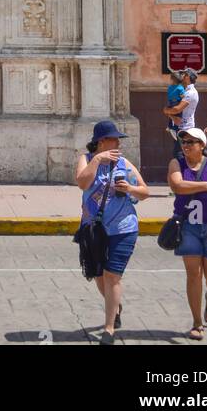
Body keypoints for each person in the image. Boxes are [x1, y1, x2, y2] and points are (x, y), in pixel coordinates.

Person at [74, 119, 149, 345]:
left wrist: (130, 188)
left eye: (119, 140)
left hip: (123, 227)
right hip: (94, 227)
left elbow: (145, 192)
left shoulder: (124, 164)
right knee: (99, 276)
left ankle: (109, 329)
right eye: (114, 139)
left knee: (112, 276)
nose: (118, 143)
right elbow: (82, 183)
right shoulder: (87, 159)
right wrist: (98, 160)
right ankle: (115, 306)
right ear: (101, 142)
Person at [168, 127, 207, 340]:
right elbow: (178, 186)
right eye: (183, 142)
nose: (186, 146)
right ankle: (197, 322)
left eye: (191, 142)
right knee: (193, 275)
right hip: (188, 227)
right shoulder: (177, 164)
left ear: (202, 145)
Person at [163, 67, 199, 146]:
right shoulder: (185, 90)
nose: (181, 76)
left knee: (180, 152)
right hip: (181, 129)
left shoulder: (190, 93)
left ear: (187, 77)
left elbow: (177, 109)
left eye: (183, 74)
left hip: (186, 130)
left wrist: (166, 111)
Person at [164, 70, 185, 144]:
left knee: (171, 115)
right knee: (178, 116)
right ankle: (174, 128)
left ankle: (170, 126)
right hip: (177, 102)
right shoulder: (180, 88)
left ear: (172, 79)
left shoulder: (170, 87)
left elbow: (169, 94)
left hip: (170, 102)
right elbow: (182, 96)